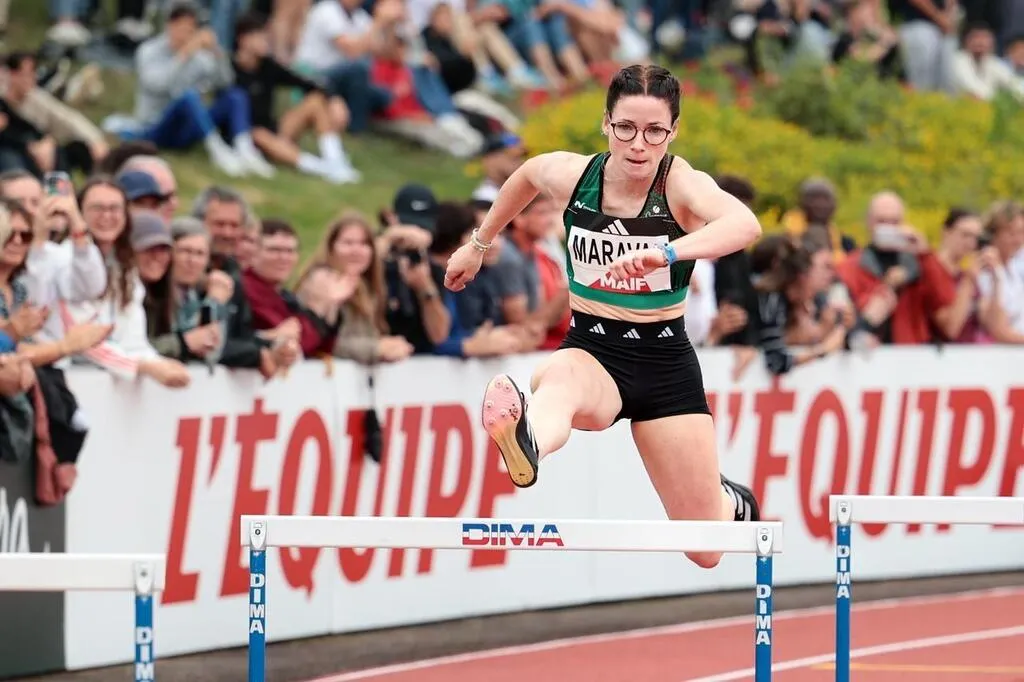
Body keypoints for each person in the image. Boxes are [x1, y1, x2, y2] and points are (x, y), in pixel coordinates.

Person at [443, 64, 763, 570]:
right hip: (593, 348)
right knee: (559, 384)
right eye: (626, 128)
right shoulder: (576, 176)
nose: (638, 145)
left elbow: (745, 225)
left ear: (673, 131)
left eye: (654, 131)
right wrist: (479, 244)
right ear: (606, 124)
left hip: (665, 363)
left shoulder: (681, 184)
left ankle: (729, 499)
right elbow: (526, 175)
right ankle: (527, 439)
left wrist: (667, 253)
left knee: (705, 549)